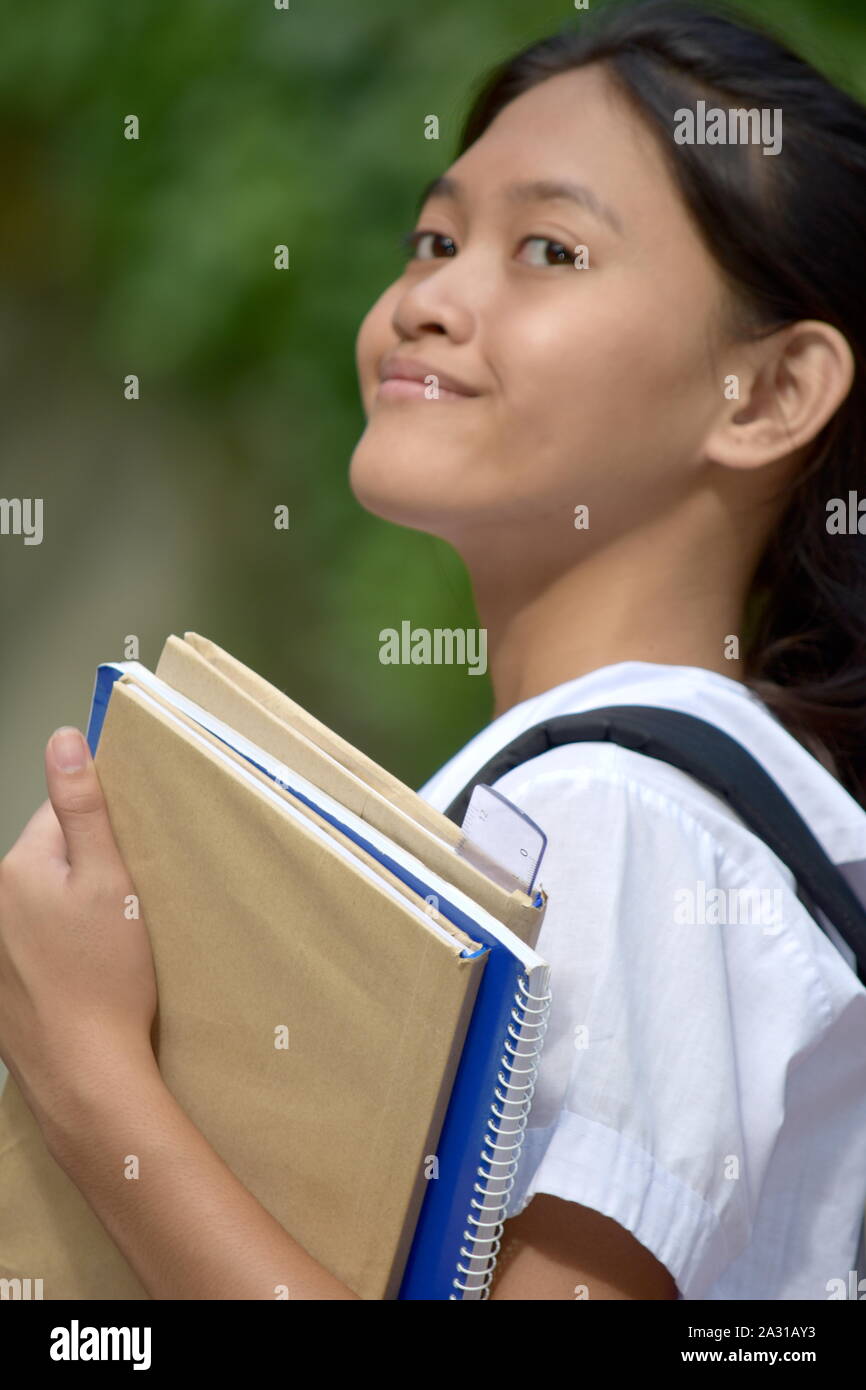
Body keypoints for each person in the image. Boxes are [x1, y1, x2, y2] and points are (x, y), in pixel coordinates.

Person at [2, 0, 866, 1299]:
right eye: (434, 237)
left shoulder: (627, 820)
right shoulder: (655, 806)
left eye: (548, 249)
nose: (432, 298)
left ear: (771, 393)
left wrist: (89, 1072)